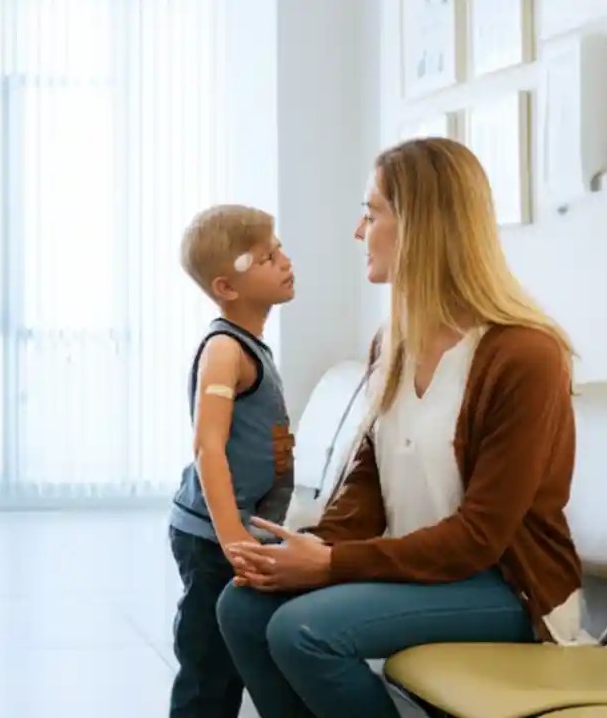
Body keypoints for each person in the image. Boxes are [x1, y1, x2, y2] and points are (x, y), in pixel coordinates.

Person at [216, 137, 583, 718]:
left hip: (508, 587)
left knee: (303, 631)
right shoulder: (394, 343)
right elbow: (367, 481)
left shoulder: (524, 356)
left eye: (372, 212)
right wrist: (309, 548)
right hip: (417, 569)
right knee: (241, 607)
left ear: (421, 223)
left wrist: (332, 566)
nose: (360, 232)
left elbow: (479, 537)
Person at [167, 204, 297, 718]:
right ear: (227, 286)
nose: (286, 260)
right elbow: (208, 447)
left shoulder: (250, 345)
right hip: (213, 538)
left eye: (280, 248)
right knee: (208, 666)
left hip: (236, 533)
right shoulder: (224, 350)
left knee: (230, 659)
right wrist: (234, 539)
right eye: (268, 257)